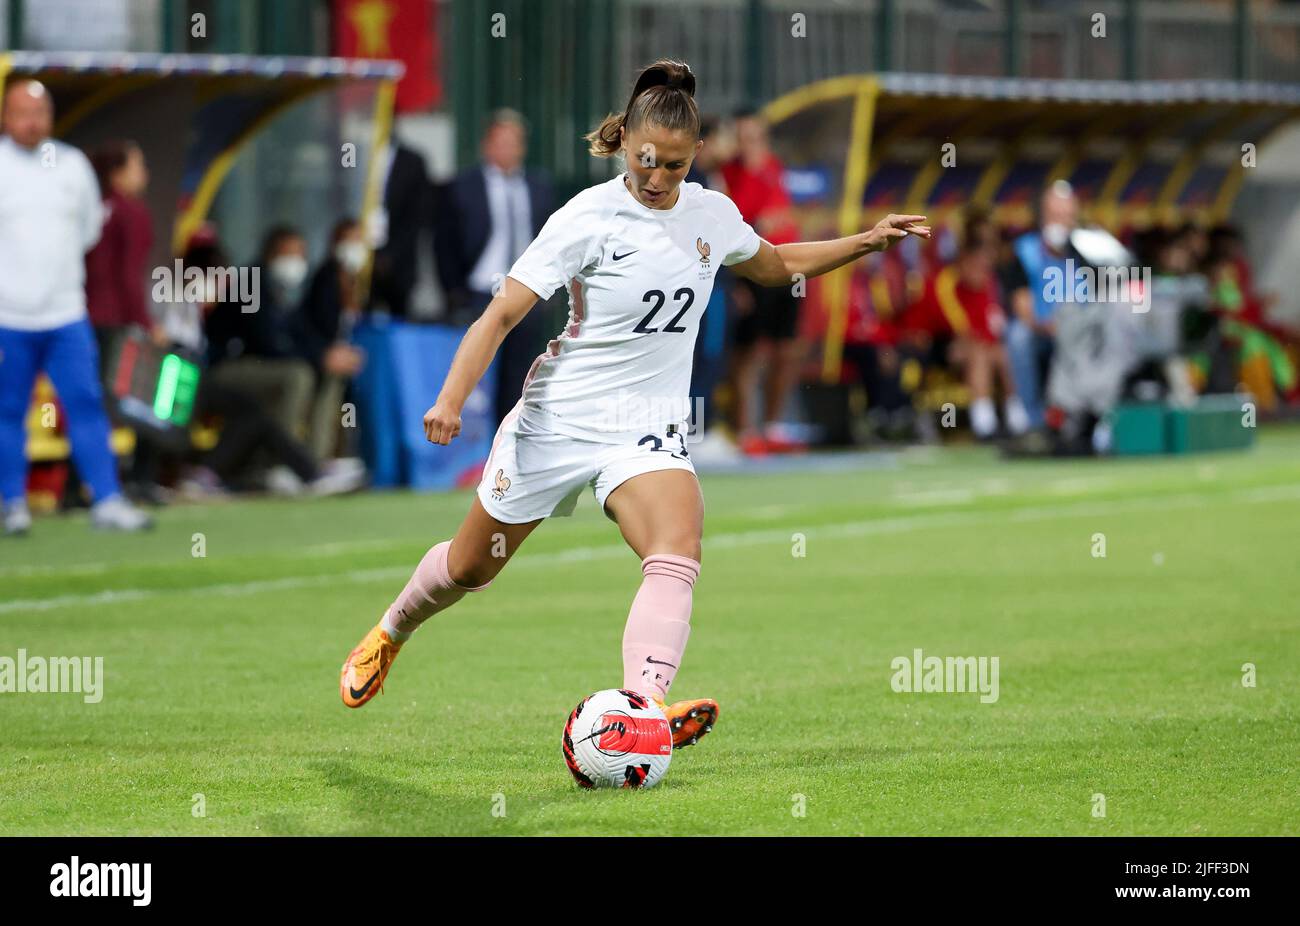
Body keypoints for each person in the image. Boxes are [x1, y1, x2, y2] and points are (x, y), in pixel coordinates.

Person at [338, 60, 930, 752]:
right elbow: (500, 315)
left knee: (677, 546)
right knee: (472, 568)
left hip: (644, 430)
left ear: (696, 156)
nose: (657, 179)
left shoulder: (712, 214)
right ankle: (392, 629)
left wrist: (864, 241)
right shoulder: (586, 216)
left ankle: (642, 708)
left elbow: (776, 266)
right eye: (648, 161)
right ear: (624, 142)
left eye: (675, 167)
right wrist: (450, 400)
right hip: (559, 419)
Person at [0, 78, 151, 535]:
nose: (32, 121)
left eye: (40, 112)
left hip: (66, 313)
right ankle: (13, 504)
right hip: (9, 316)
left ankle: (106, 499)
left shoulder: (71, 166)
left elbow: (87, 230)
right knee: (8, 410)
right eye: (22, 112)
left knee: (86, 402)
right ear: (6, 115)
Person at [433, 109, 555, 426]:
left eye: (514, 142)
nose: (507, 149)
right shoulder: (462, 186)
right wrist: (453, 293)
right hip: (478, 292)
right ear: (487, 145)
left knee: (519, 377)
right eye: (501, 142)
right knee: (477, 373)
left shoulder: (539, 186)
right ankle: (471, 449)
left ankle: (508, 447)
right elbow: (444, 244)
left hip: (525, 292)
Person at [720, 107, 806, 456]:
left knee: (786, 350)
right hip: (752, 270)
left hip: (786, 268)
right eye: (743, 136)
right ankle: (745, 431)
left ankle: (772, 426)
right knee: (748, 354)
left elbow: (783, 214)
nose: (750, 143)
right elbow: (731, 225)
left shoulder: (774, 167)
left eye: (754, 135)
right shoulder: (727, 173)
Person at [203, 225, 315, 439]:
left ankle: (316, 457)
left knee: (318, 371)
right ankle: (283, 459)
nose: (297, 261)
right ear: (271, 253)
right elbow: (266, 341)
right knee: (297, 376)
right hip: (224, 367)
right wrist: (314, 357)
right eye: (289, 253)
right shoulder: (251, 281)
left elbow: (299, 334)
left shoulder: (281, 289)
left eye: (300, 254)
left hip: (251, 364)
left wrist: (321, 357)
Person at [1002, 180, 1084, 430]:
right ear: (1042, 216)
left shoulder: (1088, 251)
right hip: (1044, 332)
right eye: (1054, 215)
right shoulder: (1024, 251)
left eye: (1066, 215)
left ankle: (1092, 420)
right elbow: (1023, 307)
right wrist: (1051, 327)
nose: (1060, 221)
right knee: (1017, 336)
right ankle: (1034, 422)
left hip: (1083, 332)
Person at [296, 218, 368, 460]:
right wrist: (326, 353)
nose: (355, 246)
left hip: (343, 356)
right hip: (318, 356)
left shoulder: (356, 279)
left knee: (349, 407)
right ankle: (317, 459)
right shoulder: (326, 278)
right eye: (350, 240)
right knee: (329, 395)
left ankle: (342, 456)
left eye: (359, 240)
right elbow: (310, 325)